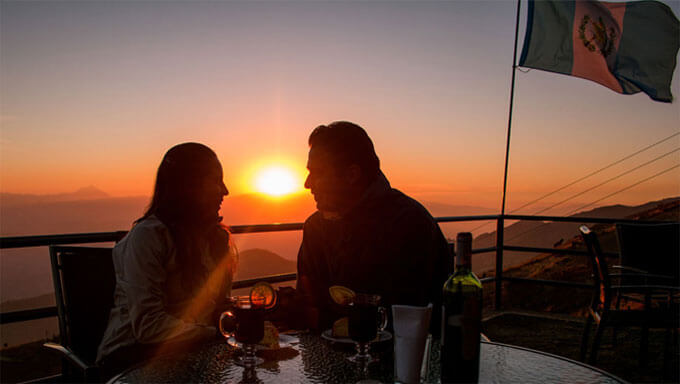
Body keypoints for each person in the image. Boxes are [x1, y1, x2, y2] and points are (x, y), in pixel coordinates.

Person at [296, 121, 451, 333]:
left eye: (318, 173)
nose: (307, 183)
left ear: (352, 175)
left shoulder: (409, 224)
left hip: (402, 361)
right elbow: (308, 303)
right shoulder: (315, 228)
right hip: (329, 357)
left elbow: (406, 319)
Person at [97, 142, 236, 377]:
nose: (225, 190)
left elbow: (215, 309)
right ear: (188, 187)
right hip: (131, 360)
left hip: (190, 354)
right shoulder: (149, 237)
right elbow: (148, 326)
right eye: (216, 180)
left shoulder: (213, 240)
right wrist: (214, 332)